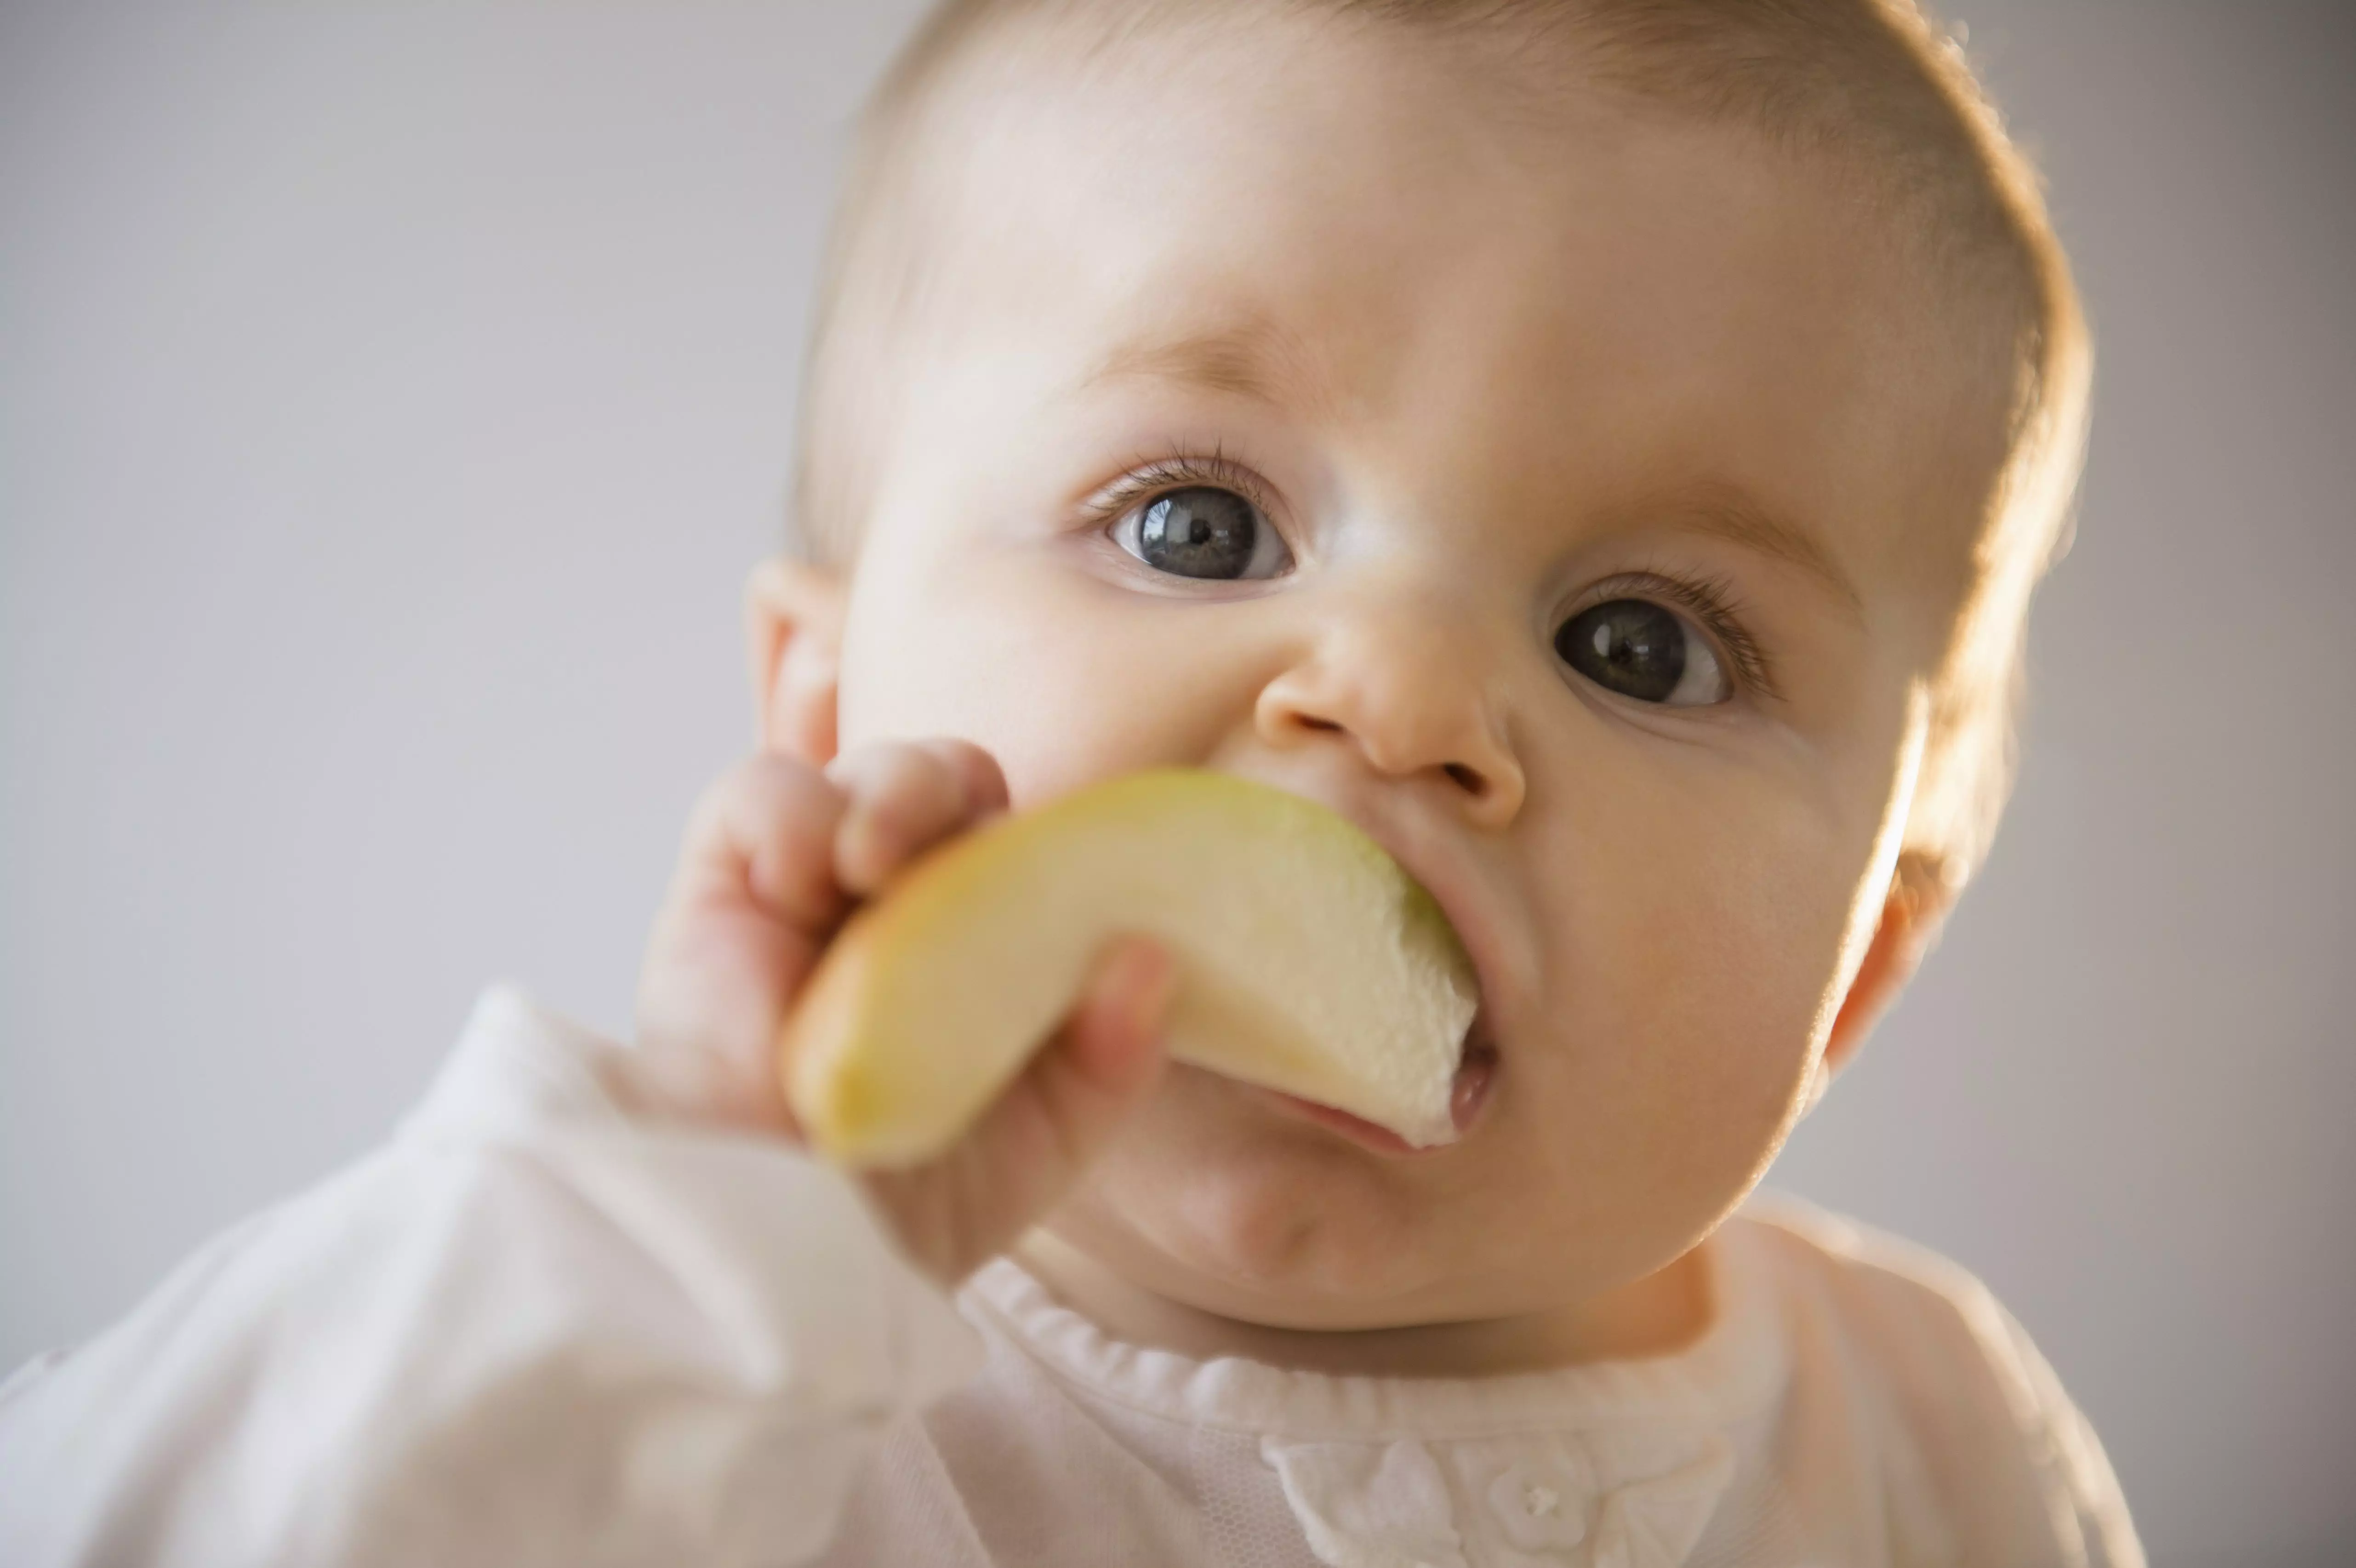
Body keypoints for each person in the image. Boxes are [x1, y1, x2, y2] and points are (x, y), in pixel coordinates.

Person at [0, 1, 2142, 1563]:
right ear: (830, 714)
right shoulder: (694, 1385)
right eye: (1197, 525)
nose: (1397, 706)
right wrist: (691, 1225)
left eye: (1642, 647)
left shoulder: (1935, 1446)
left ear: (1863, 959)